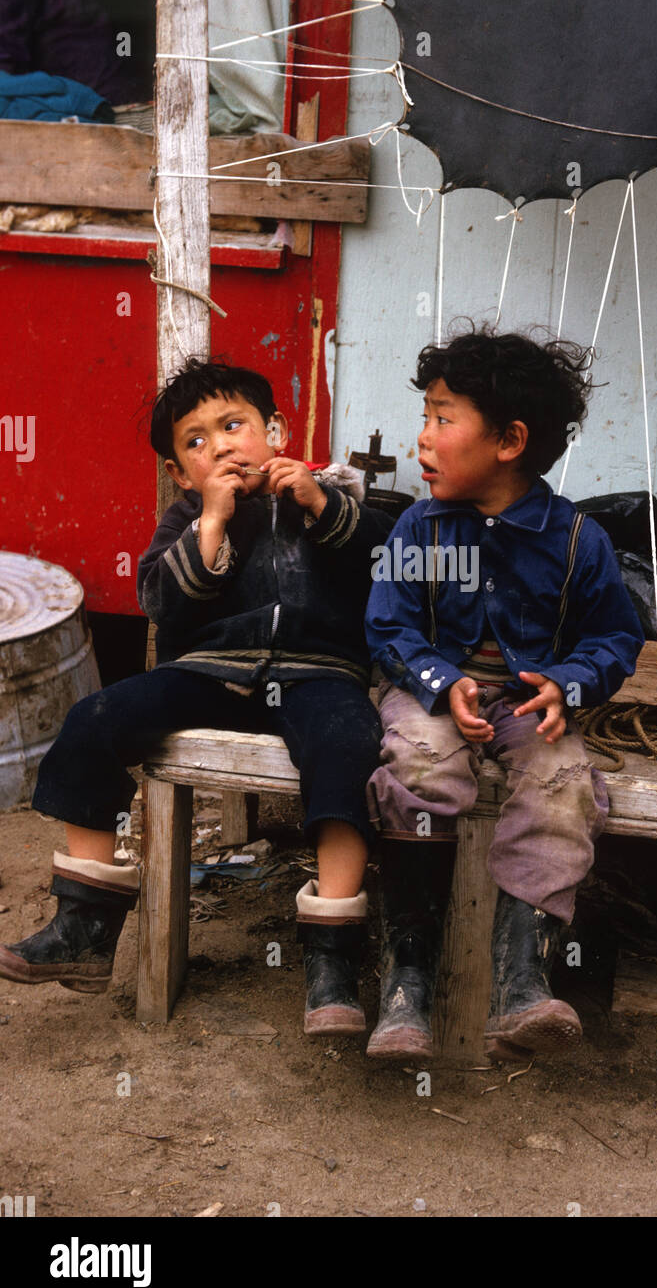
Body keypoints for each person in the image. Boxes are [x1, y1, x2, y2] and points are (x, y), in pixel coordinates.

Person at [0, 359, 392, 1036]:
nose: (222, 446)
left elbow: (386, 567)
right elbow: (161, 602)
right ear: (181, 472)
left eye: (234, 425)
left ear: (276, 429)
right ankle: (84, 928)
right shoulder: (188, 516)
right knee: (94, 719)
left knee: (348, 748)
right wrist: (210, 524)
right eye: (197, 441)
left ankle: (332, 959)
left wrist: (321, 505)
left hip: (317, 673)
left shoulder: (326, 498)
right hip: (212, 673)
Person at [364, 327, 645, 1061]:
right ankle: (407, 984)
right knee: (421, 760)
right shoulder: (417, 530)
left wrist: (569, 684)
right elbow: (387, 628)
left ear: (510, 441)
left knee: (561, 780)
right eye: (425, 415)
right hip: (429, 698)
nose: (422, 437)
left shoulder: (580, 540)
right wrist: (439, 679)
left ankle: (521, 984)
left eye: (442, 417)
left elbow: (615, 639)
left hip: (525, 711)